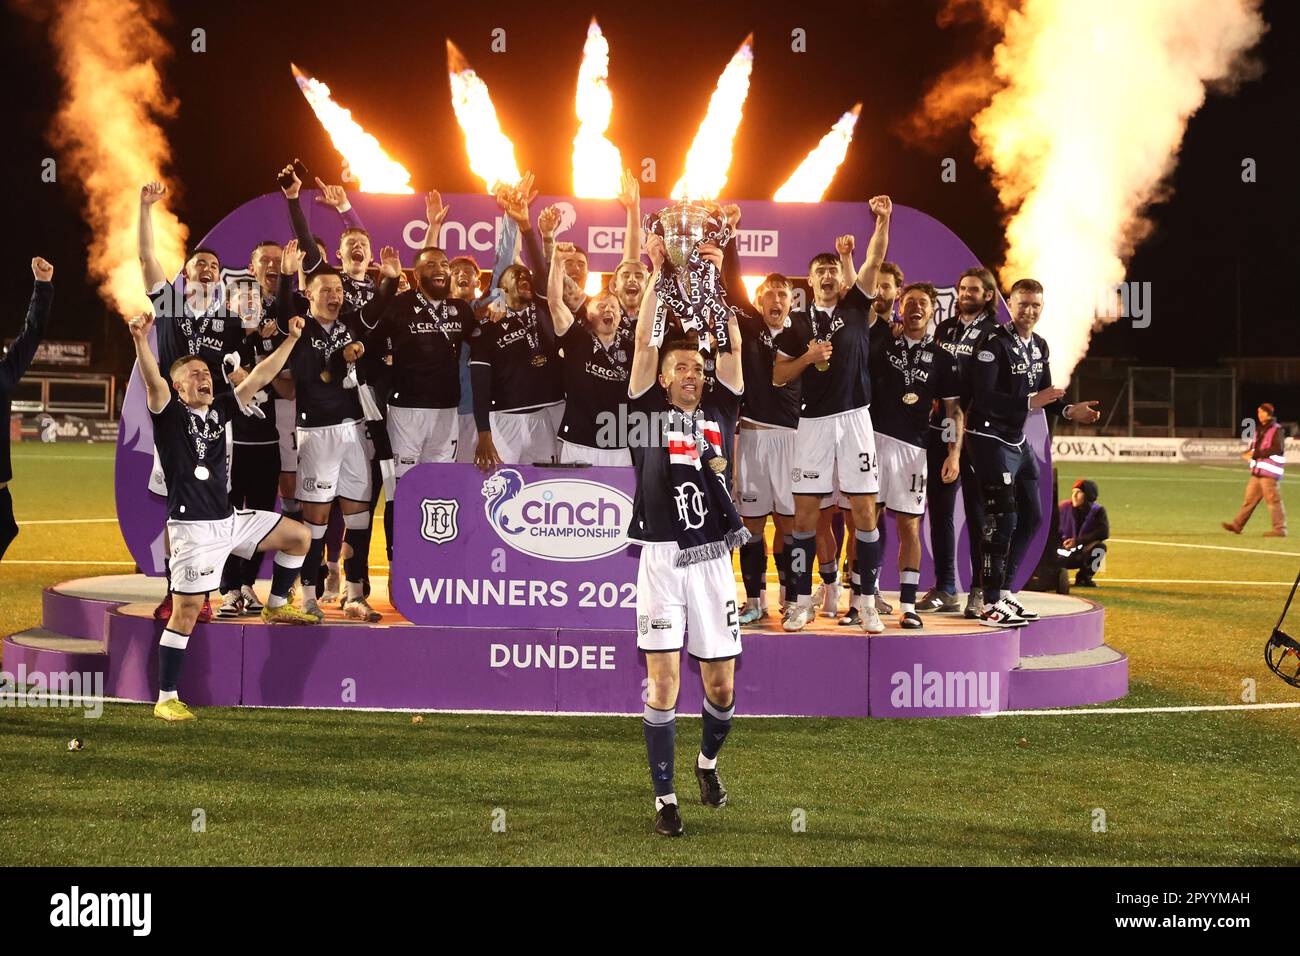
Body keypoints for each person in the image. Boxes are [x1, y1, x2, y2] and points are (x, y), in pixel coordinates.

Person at [127, 308, 319, 722]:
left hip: (229, 519)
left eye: (206, 373)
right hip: (193, 531)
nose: (204, 377)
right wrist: (141, 342)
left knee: (299, 537)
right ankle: (165, 699)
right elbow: (151, 381)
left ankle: (277, 603)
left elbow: (260, 378)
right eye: (194, 374)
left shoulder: (220, 412)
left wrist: (290, 339)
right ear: (178, 386)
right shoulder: (169, 414)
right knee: (186, 612)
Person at [628, 231, 746, 838]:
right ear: (665, 377)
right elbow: (646, 348)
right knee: (664, 681)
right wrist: (654, 274)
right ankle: (665, 800)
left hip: (713, 561)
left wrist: (715, 277)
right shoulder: (644, 410)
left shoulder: (721, 411)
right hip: (659, 558)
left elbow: (732, 347)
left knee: (721, 686)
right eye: (682, 368)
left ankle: (706, 764)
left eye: (696, 368)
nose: (691, 375)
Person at [774, 196, 892, 634]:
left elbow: (876, 257)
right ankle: (802, 602)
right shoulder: (796, 324)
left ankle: (866, 603)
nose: (827, 275)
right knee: (805, 516)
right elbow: (778, 375)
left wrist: (883, 220)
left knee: (865, 511)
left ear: (840, 279)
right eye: (819, 270)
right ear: (809, 280)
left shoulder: (856, 306)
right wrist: (806, 358)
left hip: (857, 419)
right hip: (813, 424)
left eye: (832, 270)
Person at [964, 278, 1101, 627]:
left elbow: (1046, 394)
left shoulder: (1038, 345)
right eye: (1023, 304)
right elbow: (982, 397)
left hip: (1016, 440)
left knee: (1034, 517)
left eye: (1036, 305)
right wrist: (1028, 402)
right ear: (1010, 304)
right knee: (1003, 520)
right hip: (988, 437)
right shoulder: (992, 342)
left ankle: (1006, 594)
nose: (1029, 311)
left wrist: (1071, 411)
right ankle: (988, 602)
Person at [866, 282, 963, 627]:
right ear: (900, 308)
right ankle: (863, 598)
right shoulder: (880, 345)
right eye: (910, 303)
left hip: (914, 451)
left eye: (923, 303)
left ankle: (908, 605)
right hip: (874, 442)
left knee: (910, 525)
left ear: (933, 310)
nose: (916, 309)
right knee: (864, 521)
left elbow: (953, 411)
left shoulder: (943, 359)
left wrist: (953, 453)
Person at [919, 267, 1002, 616]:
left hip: (979, 434)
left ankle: (979, 591)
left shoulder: (996, 334)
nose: (966, 294)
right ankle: (946, 587)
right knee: (939, 510)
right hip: (943, 430)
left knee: (979, 513)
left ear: (987, 295)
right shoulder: (945, 329)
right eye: (963, 288)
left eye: (974, 289)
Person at [731, 272, 799, 624]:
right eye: (769, 293)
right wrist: (730, 232)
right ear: (759, 301)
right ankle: (754, 600)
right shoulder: (751, 326)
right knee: (752, 527)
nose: (775, 299)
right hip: (754, 438)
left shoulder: (802, 331)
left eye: (782, 294)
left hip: (792, 440)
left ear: (791, 301)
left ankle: (792, 599)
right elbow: (731, 279)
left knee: (790, 527)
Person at [549, 243, 635, 466]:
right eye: (602, 306)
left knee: (619, 502)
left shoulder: (632, 347)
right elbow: (555, 302)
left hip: (619, 444)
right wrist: (557, 262)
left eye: (614, 307)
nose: (609, 310)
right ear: (588, 314)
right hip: (578, 442)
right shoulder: (575, 338)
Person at [0, 258, 54, 561]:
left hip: (0, 491)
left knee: (7, 527)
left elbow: (32, 331)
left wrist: (42, 286)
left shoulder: (5, 372)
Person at [1223, 403, 1287, 537]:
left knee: (1273, 501)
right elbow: (1255, 448)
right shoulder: (1259, 429)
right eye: (1258, 412)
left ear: (1267, 413)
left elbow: (1278, 449)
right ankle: (1237, 525)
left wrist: (1257, 454)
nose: (1259, 414)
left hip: (1269, 472)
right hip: (1257, 472)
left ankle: (1280, 529)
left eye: (1261, 412)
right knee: (1249, 500)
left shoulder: (1276, 429)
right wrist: (1248, 452)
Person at [1058, 479, 1109, 587]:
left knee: (1100, 548)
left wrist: (1077, 541)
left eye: (1079, 492)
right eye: (1073, 492)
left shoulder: (1098, 511)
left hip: (1081, 552)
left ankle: (1085, 577)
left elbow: (1104, 532)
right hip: (1060, 551)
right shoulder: (1063, 508)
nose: (1074, 495)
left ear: (1088, 495)